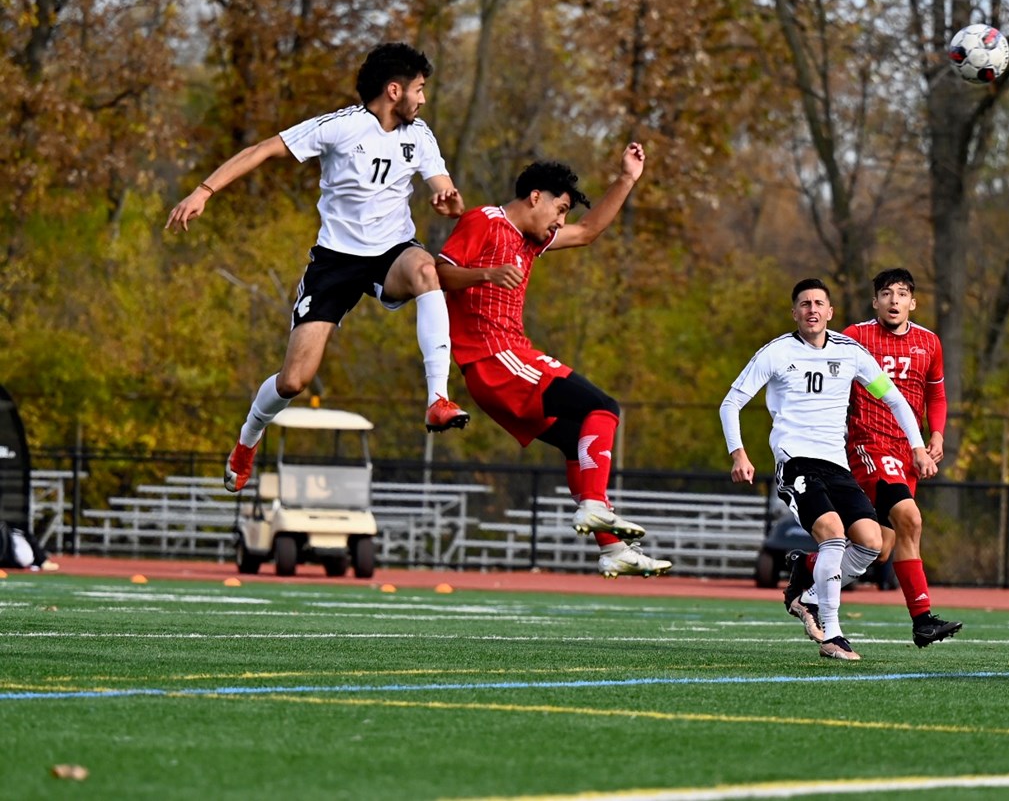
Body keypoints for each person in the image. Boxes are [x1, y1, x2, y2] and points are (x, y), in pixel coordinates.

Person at [166, 42, 471, 493]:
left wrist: (450, 202)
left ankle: (437, 398)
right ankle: (247, 441)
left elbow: (447, 192)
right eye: (419, 89)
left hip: (392, 253)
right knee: (293, 381)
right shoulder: (341, 127)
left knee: (426, 270)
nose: (423, 99)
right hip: (335, 261)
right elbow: (263, 149)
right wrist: (204, 191)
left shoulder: (420, 136)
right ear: (394, 90)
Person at [434, 143, 671, 579]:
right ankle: (595, 506)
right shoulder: (484, 220)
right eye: (559, 209)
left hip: (505, 363)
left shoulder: (530, 239)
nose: (561, 222)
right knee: (604, 408)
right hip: (496, 358)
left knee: (575, 439)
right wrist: (485, 274)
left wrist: (626, 180)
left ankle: (612, 548)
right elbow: (438, 272)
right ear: (535, 197)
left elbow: (587, 232)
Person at [720, 278, 937, 661]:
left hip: (836, 464)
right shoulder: (777, 351)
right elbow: (731, 402)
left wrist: (918, 447)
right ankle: (832, 634)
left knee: (872, 542)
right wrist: (739, 453)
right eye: (804, 304)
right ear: (795, 313)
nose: (812, 310)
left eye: (819, 303)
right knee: (834, 534)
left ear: (830, 312)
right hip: (796, 462)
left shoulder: (849, 351)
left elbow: (897, 400)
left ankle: (807, 590)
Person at [841, 268, 962, 647]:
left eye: (902, 294)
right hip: (870, 443)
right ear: (874, 301)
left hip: (907, 451)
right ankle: (923, 620)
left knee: (879, 549)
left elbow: (936, 396)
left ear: (914, 302)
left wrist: (936, 435)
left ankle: (806, 567)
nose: (894, 301)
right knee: (911, 518)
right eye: (887, 294)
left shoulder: (929, 342)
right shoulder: (855, 337)